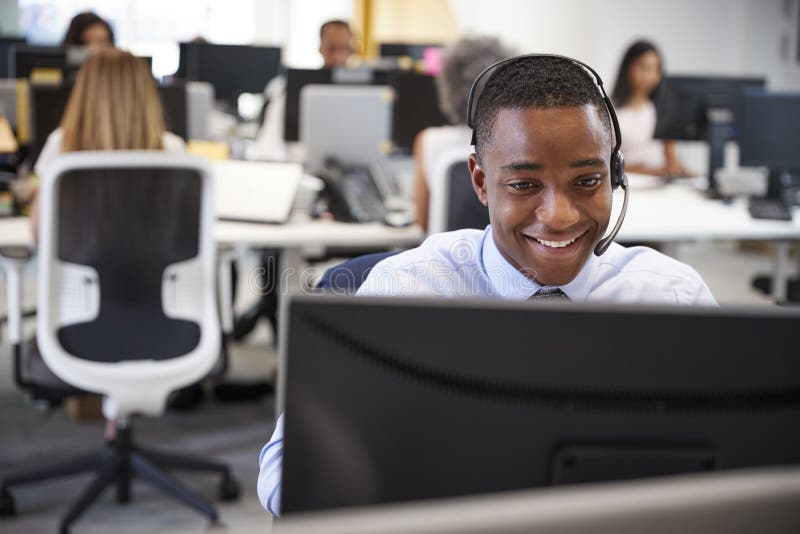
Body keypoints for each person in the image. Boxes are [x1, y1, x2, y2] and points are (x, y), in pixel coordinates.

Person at [257, 54, 717, 516]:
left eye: (587, 180)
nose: (558, 216)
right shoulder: (411, 293)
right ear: (480, 180)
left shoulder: (671, 297)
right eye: (524, 184)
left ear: (614, 176)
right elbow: (284, 474)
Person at [413, 36, 511, 232]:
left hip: (446, 260)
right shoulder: (516, 142)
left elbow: (423, 222)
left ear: (447, 87)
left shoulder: (429, 141)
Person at [248, 19, 353, 161]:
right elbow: (268, 147)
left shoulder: (363, 93)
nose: (338, 57)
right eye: (331, 48)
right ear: (320, 48)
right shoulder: (288, 89)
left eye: (344, 49)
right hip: (299, 164)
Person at [611, 40, 689, 177]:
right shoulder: (611, 112)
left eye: (655, 70)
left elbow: (671, 159)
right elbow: (608, 164)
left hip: (660, 186)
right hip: (627, 185)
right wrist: (652, 171)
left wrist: (678, 169)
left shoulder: (661, 111)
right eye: (643, 68)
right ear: (627, 68)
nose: (649, 76)